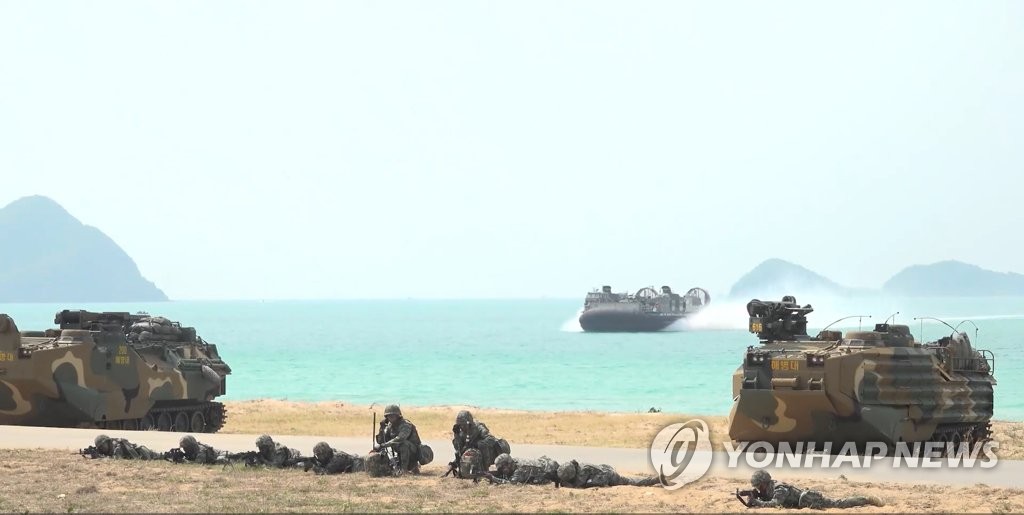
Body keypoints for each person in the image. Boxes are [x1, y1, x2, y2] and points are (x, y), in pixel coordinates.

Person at [744, 470, 884, 509]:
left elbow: (775, 503)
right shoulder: (769, 489)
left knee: (838, 504)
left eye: (759, 486)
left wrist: (757, 502)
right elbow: (767, 499)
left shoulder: (779, 488)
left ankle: (867, 499)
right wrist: (755, 498)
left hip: (808, 498)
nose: (758, 489)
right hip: (804, 501)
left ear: (764, 483)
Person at [451, 410, 509, 477]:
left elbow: (491, 439)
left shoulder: (478, 427)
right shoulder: (460, 431)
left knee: (482, 445)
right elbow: (458, 448)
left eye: (463, 425)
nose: (462, 427)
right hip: (474, 454)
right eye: (460, 425)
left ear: (469, 423)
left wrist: (477, 444)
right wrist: (456, 435)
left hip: (488, 453)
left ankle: (485, 469)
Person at [374, 404, 424, 473]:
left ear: (398, 415)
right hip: (401, 451)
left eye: (393, 415)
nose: (391, 418)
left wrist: (384, 445)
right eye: (389, 416)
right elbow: (381, 441)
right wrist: (382, 428)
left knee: (403, 444)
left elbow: (400, 438)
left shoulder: (405, 424)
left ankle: (404, 470)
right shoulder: (390, 426)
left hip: (414, 451)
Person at [556, 459, 660, 488]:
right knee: (629, 479)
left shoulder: (582, 473)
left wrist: (566, 484)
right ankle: (652, 479)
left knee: (629, 481)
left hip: (609, 476)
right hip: (604, 470)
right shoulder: (579, 467)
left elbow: (578, 485)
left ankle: (654, 480)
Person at [486, 453, 559, 485]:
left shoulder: (520, 470)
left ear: (509, 464)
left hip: (550, 468)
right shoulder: (514, 462)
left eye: (503, 468)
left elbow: (511, 483)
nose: (503, 471)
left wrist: (493, 478)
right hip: (545, 462)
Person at [88, 434, 160, 460]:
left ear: (107, 442)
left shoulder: (117, 447)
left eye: (102, 446)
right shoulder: (110, 447)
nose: (102, 449)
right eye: (100, 448)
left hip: (142, 453)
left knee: (158, 456)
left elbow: (117, 459)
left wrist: (101, 458)